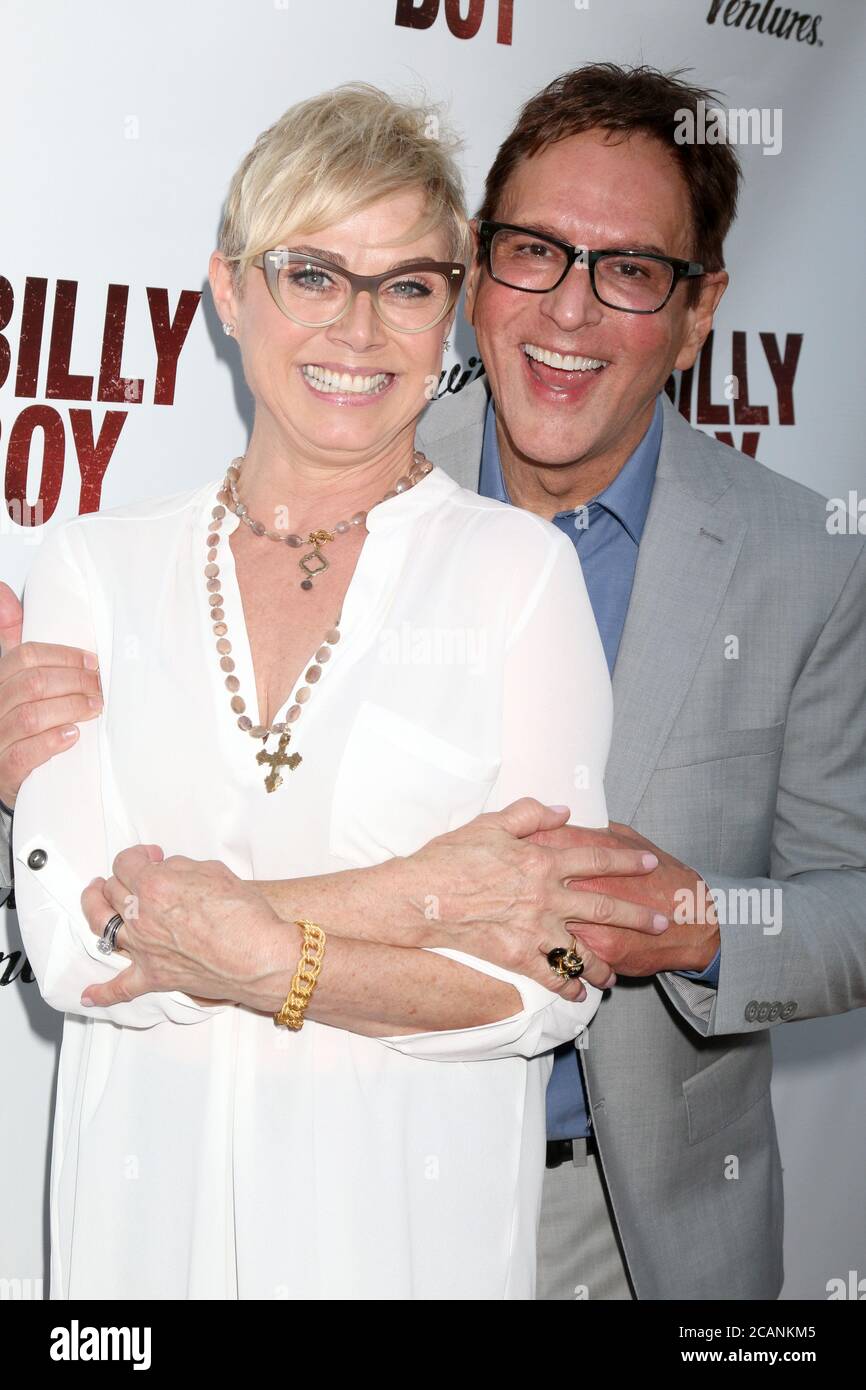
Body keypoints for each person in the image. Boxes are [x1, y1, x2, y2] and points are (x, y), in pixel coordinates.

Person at [5, 83, 657, 1302]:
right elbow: (73, 951)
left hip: (406, 1244)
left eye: (406, 285)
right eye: (313, 274)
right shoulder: (95, 564)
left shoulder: (516, 574)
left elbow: (550, 975)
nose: (358, 331)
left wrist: (264, 952)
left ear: (449, 315)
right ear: (228, 289)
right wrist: (417, 896)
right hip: (146, 1245)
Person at [413, 63, 866, 1300]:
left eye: (628, 271)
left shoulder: (805, 561)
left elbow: (853, 897)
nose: (566, 313)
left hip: (629, 1239)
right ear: (474, 270)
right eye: (533, 253)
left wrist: (700, 924)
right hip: (366, 1183)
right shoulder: (360, 503)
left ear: (696, 307)